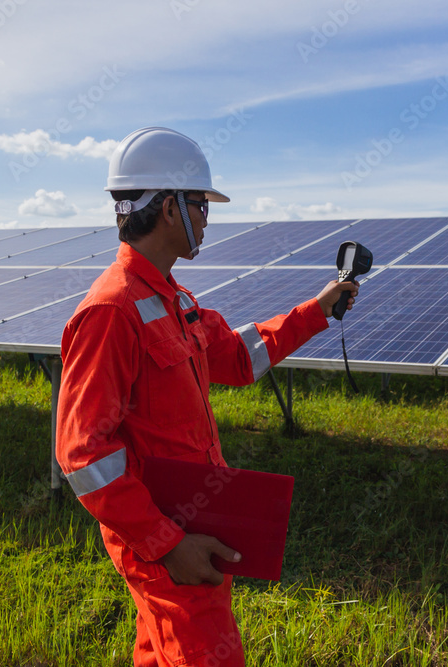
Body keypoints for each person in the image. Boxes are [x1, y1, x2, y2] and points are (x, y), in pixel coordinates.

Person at [55, 126, 358, 666]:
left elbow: (241, 358)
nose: (206, 218)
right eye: (199, 204)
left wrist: (318, 309)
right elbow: (83, 455)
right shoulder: (110, 312)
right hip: (163, 538)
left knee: (162, 652)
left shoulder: (173, 299)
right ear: (168, 208)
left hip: (191, 524)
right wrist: (167, 543)